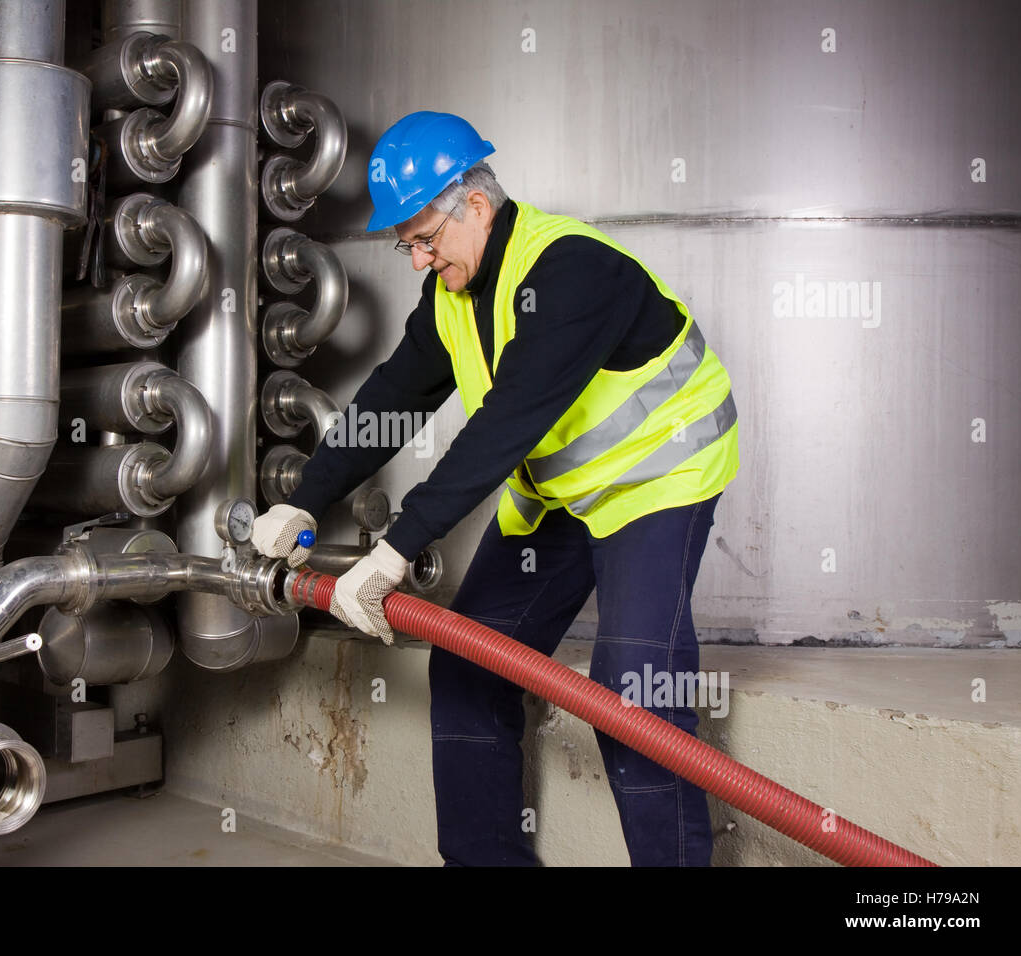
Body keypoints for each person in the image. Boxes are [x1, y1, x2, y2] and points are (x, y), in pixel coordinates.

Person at [251, 111, 740, 866]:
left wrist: (396, 551)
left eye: (423, 237)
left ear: (474, 203)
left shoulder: (573, 272)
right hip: (565, 495)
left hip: (657, 482)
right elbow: (394, 398)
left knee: (635, 695)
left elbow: (507, 421)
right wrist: (304, 497)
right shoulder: (454, 292)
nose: (415, 259)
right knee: (470, 662)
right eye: (404, 243)